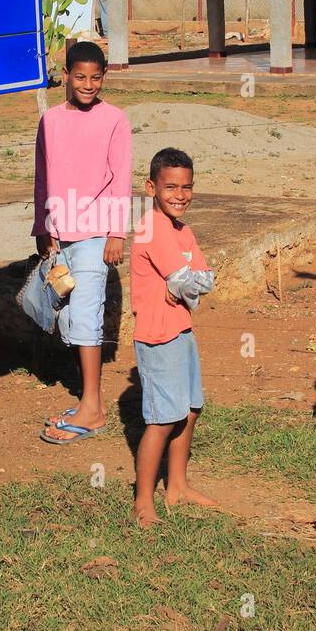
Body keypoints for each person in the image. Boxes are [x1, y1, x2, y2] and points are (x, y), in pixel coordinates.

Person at [36, 41, 131, 444]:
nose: (88, 84)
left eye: (95, 77)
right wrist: (43, 227)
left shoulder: (115, 120)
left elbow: (121, 176)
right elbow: (42, 174)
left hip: (96, 234)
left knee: (88, 316)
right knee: (71, 319)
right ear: (66, 74)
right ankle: (87, 400)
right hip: (62, 234)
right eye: (80, 77)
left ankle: (92, 408)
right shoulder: (50, 121)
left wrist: (116, 232)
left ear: (104, 77)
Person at [129, 148, 217, 526]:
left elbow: (205, 280)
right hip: (157, 336)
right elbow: (188, 279)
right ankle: (142, 501)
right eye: (170, 187)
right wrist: (184, 282)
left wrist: (184, 284)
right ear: (151, 187)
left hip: (182, 329)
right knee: (162, 419)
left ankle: (177, 486)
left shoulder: (184, 230)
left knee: (189, 410)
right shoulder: (151, 227)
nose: (180, 194)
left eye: (187, 187)